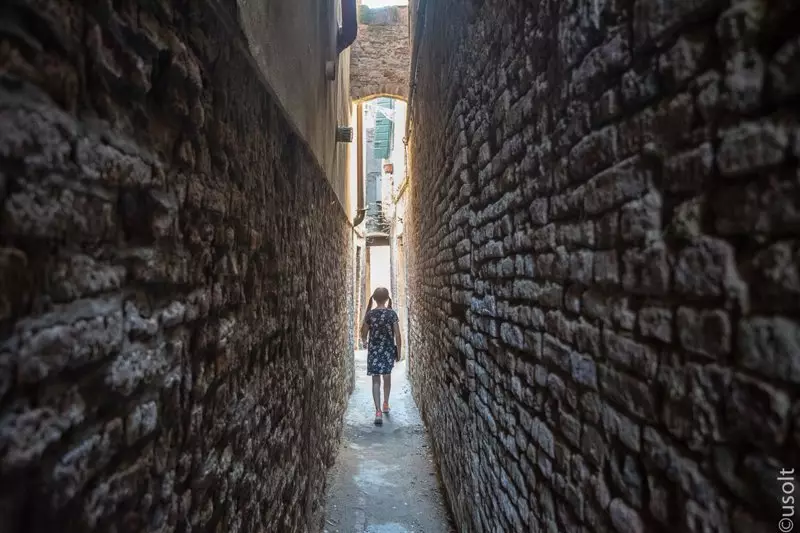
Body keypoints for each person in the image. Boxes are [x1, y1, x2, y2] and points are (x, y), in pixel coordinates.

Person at [360, 287, 401, 426]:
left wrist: (365, 343)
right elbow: (398, 334)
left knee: (375, 380)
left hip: (374, 351)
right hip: (388, 350)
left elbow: (364, 333)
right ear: (387, 298)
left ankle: (377, 411)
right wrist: (399, 352)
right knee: (387, 377)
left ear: (375, 299)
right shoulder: (392, 314)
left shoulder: (370, 315)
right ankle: (385, 404)